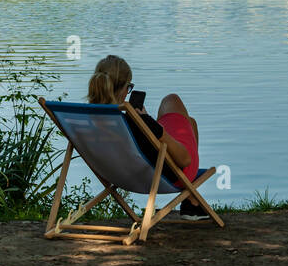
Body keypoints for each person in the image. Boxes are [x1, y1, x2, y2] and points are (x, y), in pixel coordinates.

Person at [87, 55, 207, 217]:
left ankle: (192, 200)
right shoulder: (135, 125)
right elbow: (185, 160)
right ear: (123, 89)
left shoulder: (87, 121)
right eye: (128, 87)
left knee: (189, 122)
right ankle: (191, 199)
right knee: (173, 100)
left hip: (119, 176)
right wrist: (150, 125)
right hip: (164, 177)